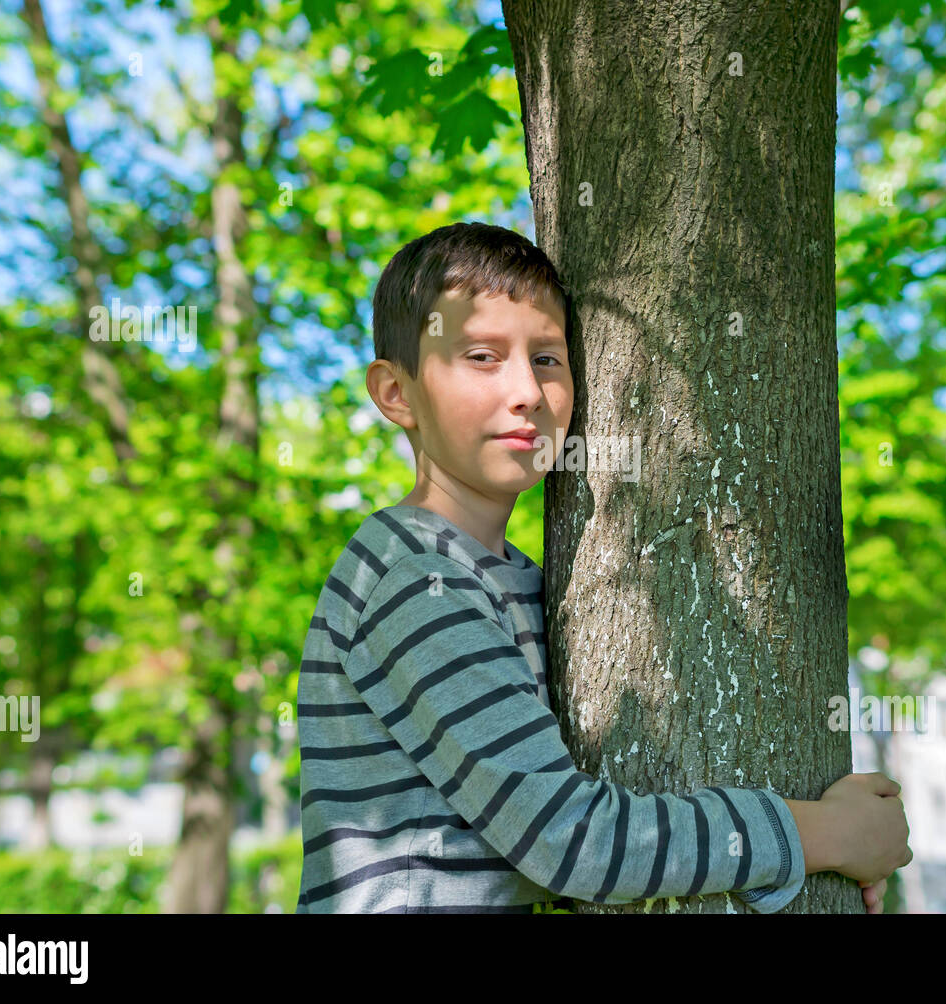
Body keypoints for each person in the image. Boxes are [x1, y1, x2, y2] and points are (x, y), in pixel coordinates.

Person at [294, 221, 911, 913]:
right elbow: (570, 839)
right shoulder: (414, 579)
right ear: (396, 392)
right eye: (481, 356)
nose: (527, 389)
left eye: (549, 359)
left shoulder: (520, 582)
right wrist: (823, 835)